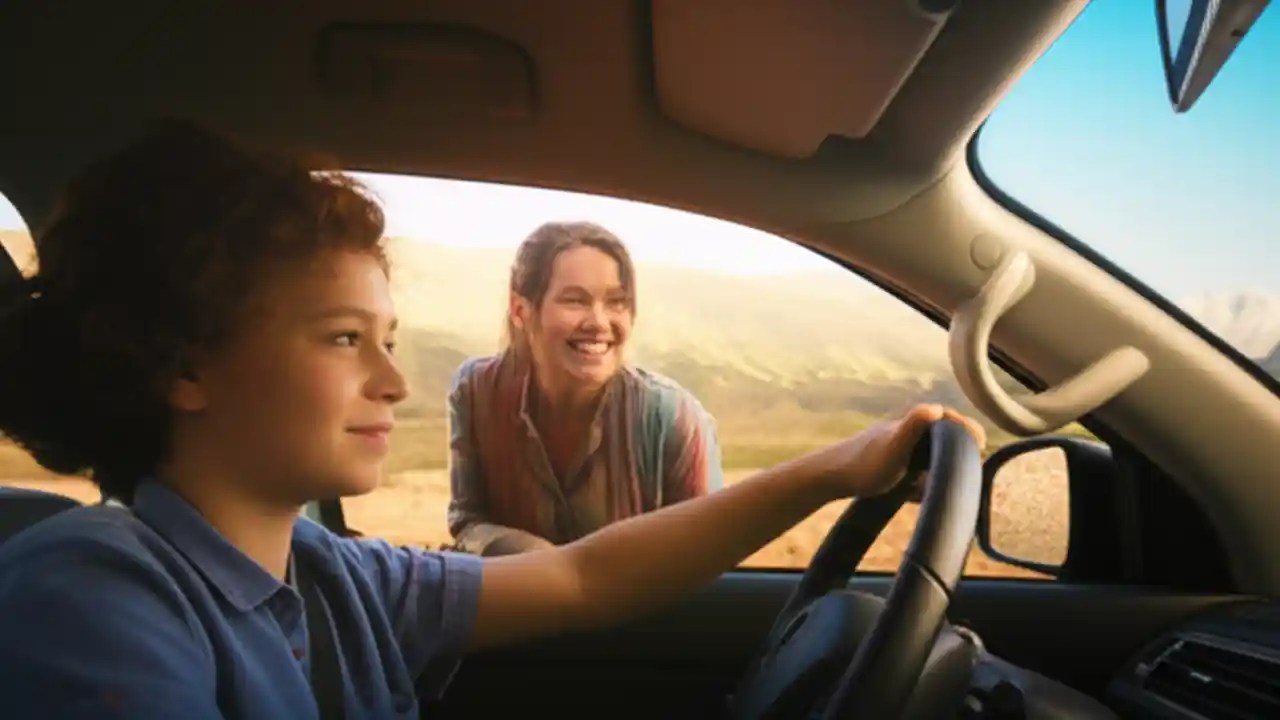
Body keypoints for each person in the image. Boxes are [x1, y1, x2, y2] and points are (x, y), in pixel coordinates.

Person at [0, 120, 985, 719]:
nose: (392, 381)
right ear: (184, 364)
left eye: (385, 338)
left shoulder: (335, 576)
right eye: (344, 339)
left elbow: (583, 576)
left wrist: (827, 470)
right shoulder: (92, 593)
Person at [446, 221, 724, 557]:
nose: (598, 322)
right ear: (521, 309)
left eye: (616, 302)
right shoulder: (476, 393)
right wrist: (533, 556)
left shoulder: (672, 418)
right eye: (575, 300)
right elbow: (468, 519)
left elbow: (705, 557)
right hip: (515, 607)